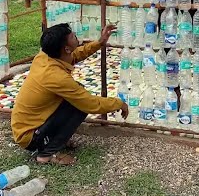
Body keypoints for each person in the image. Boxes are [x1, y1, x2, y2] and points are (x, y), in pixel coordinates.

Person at [10, 23, 128, 166]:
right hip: (30, 136)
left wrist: (100, 42)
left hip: (26, 127)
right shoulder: (56, 77)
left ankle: (51, 139)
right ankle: (46, 154)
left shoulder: (44, 56)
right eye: (72, 36)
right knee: (79, 105)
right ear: (66, 48)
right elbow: (91, 104)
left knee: (76, 95)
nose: (75, 36)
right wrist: (119, 103)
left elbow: (74, 55)